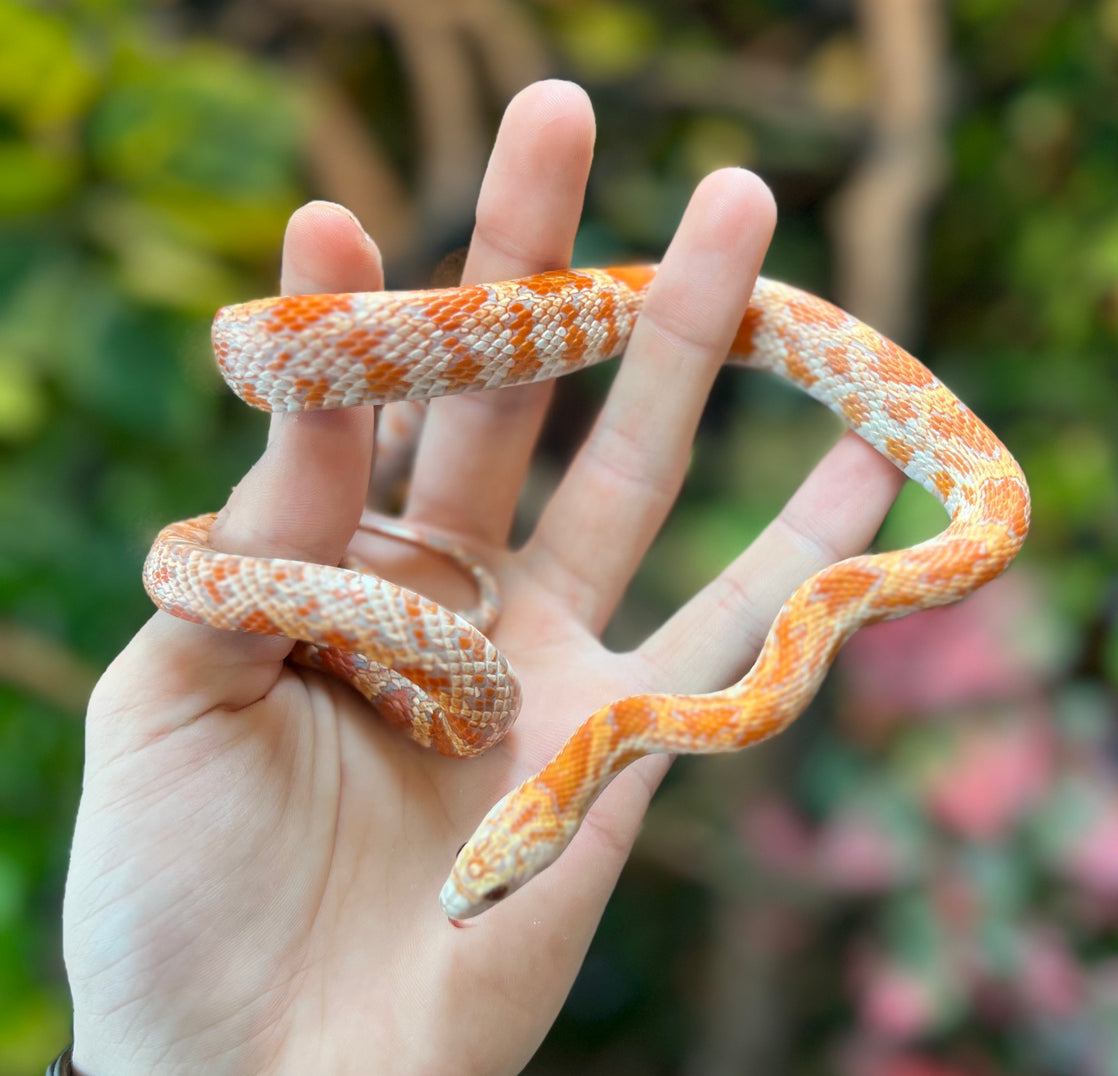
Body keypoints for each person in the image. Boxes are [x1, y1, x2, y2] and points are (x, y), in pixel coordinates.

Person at [58, 79, 903, 1076]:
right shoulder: (624, 721)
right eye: (489, 879)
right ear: (531, 817)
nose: (463, 899)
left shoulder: (628, 723)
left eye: (484, 880)